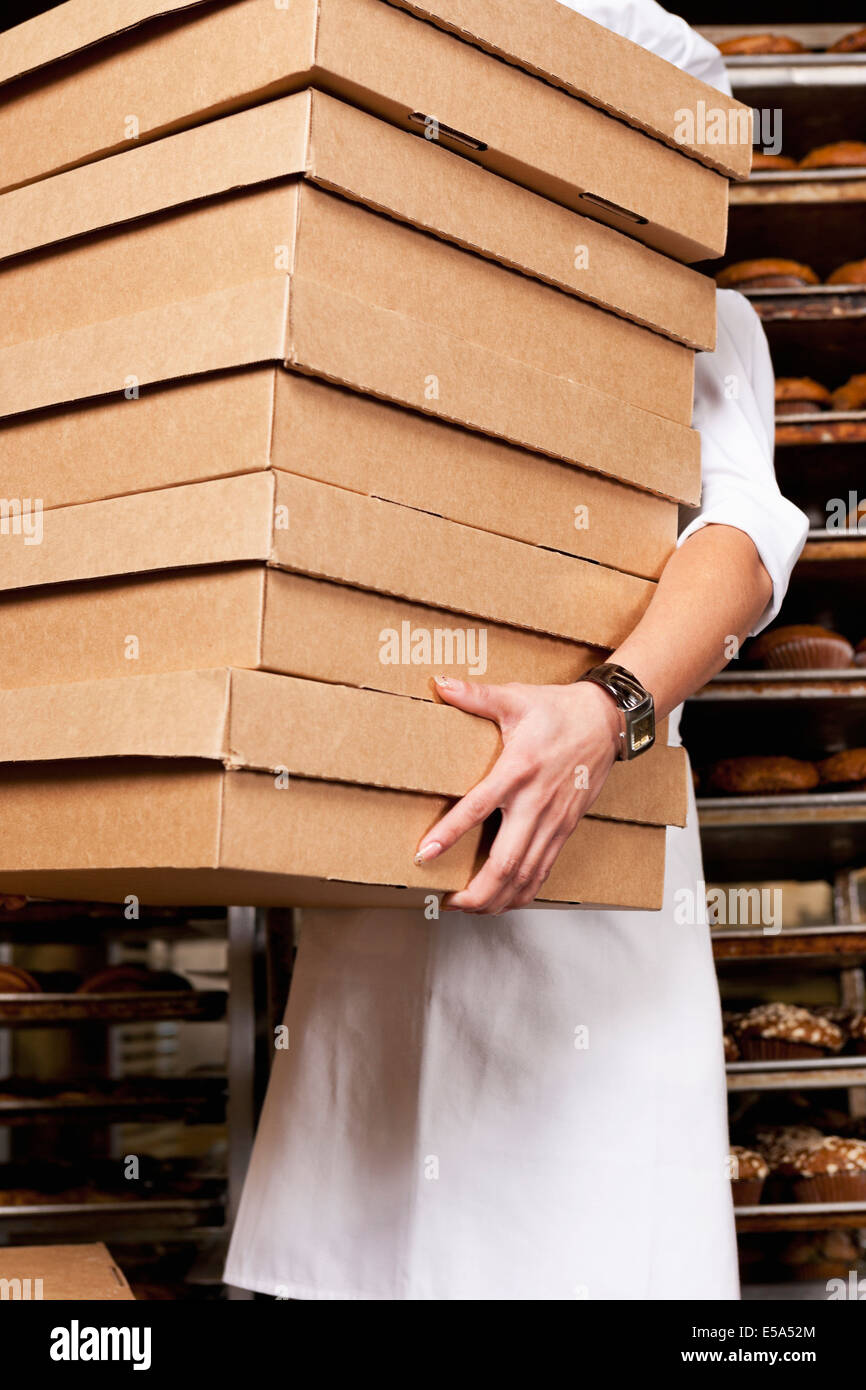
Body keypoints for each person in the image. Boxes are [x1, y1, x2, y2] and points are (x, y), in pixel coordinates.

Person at [224, 0, 808, 1300]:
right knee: (357, 1254)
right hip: (385, 879)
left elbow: (743, 535)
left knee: (578, 1254)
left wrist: (605, 709)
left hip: (588, 889)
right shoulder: (376, 293)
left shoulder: (694, 319)